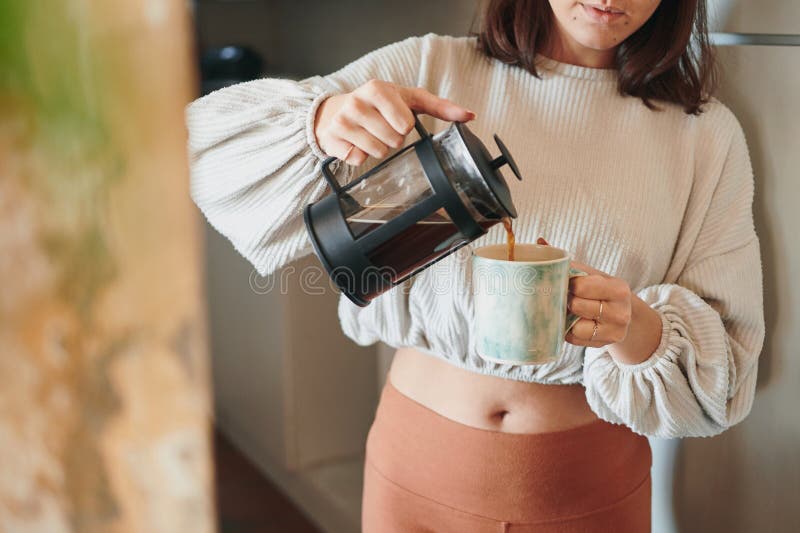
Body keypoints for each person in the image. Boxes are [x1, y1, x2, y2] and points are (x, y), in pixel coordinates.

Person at [186, 0, 766, 530]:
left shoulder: (702, 135)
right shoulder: (429, 66)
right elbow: (199, 152)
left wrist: (635, 327)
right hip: (412, 472)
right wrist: (318, 123)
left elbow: (727, 367)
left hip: (586, 490)